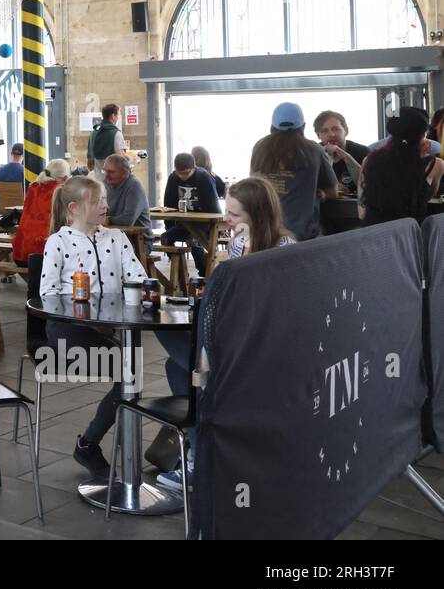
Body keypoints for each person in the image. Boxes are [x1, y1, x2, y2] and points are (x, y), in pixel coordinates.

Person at [155, 176, 295, 493]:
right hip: (234, 336)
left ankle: (198, 460)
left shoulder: (284, 250)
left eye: (233, 214)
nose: (225, 220)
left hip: (258, 350)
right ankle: (199, 454)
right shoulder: (236, 242)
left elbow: (272, 309)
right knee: (174, 363)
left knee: (186, 364)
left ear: (257, 215)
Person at [39, 175, 147, 478]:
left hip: (110, 329)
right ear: (73, 208)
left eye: (104, 200)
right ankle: (89, 444)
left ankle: (107, 449)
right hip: (66, 334)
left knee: (132, 372)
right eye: (97, 201)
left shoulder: (116, 238)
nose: (105, 206)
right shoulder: (57, 243)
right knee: (130, 374)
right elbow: (48, 295)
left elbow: (137, 277)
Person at [250, 102, 338, 241]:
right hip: (302, 237)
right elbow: (334, 192)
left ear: (272, 127)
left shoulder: (259, 148)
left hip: (265, 235)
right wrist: (321, 193)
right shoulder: (314, 149)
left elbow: (254, 185)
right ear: (303, 126)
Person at [359, 108, 444, 226]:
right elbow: (430, 196)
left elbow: (361, 212)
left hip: (374, 232)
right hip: (411, 235)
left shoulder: (370, 160)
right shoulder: (435, 164)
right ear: (423, 134)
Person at [161, 151, 223, 275]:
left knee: (193, 240)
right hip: (184, 224)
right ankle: (180, 274)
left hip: (204, 224)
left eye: (186, 173)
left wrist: (217, 230)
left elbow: (214, 208)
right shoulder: (173, 178)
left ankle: (204, 274)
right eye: (180, 173)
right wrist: (169, 227)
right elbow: (169, 205)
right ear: (175, 170)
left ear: (194, 168)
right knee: (166, 237)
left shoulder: (203, 177)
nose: (183, 176)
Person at [11, 158, 69, 264]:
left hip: (20, 253)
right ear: (65, 178)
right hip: (43, 255)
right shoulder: (59, 191)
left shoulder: (33, 186)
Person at [314, 110, 369, 198]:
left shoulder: (363, 152)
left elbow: (369, 186)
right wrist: (331, 188)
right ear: (318, 135)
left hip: (353, 207)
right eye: (324, 131)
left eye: (336, 129)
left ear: (346, 131)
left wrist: (347, 158)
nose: (331, 134)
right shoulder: (313, 154)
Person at [102, 154, 150, 230]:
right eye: (104, 171)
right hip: (114, 236)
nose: (106, 176)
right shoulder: (106, 185)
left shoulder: (134, 186)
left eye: (111, 172)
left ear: (124, 173)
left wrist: (106, 219)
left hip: (137, 238)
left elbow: (128, 220)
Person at [85, 104, 128, 179]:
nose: (118, 118)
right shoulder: (116, 133)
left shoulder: (94, 132)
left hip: (98, 181)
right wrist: (132, 159)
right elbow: (121, 158)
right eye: (117, 115)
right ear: (113, 116)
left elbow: (90, 160)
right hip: (112, 182)